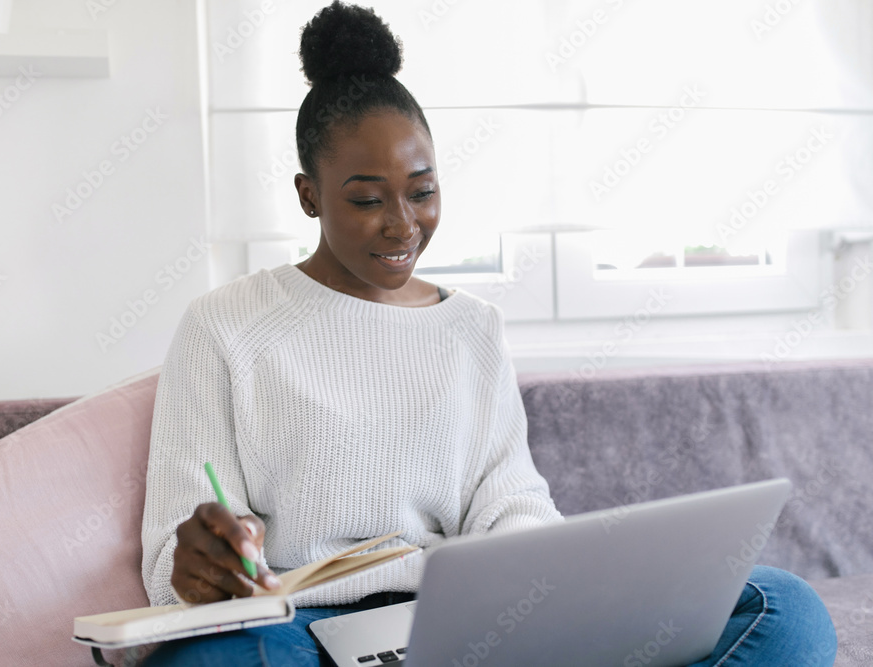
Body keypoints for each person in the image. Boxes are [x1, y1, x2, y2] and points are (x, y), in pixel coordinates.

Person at [140, 3, 838, 665]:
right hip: (298, 633)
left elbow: (512, 502)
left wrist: (534, 590)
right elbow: (171, 560)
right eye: (365, 199)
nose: (403, 224)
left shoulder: (472, 327)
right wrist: (202, 563)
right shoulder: (224, 325)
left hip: (456, 624)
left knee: (784, 607)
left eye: (421, 189)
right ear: (308, 195)